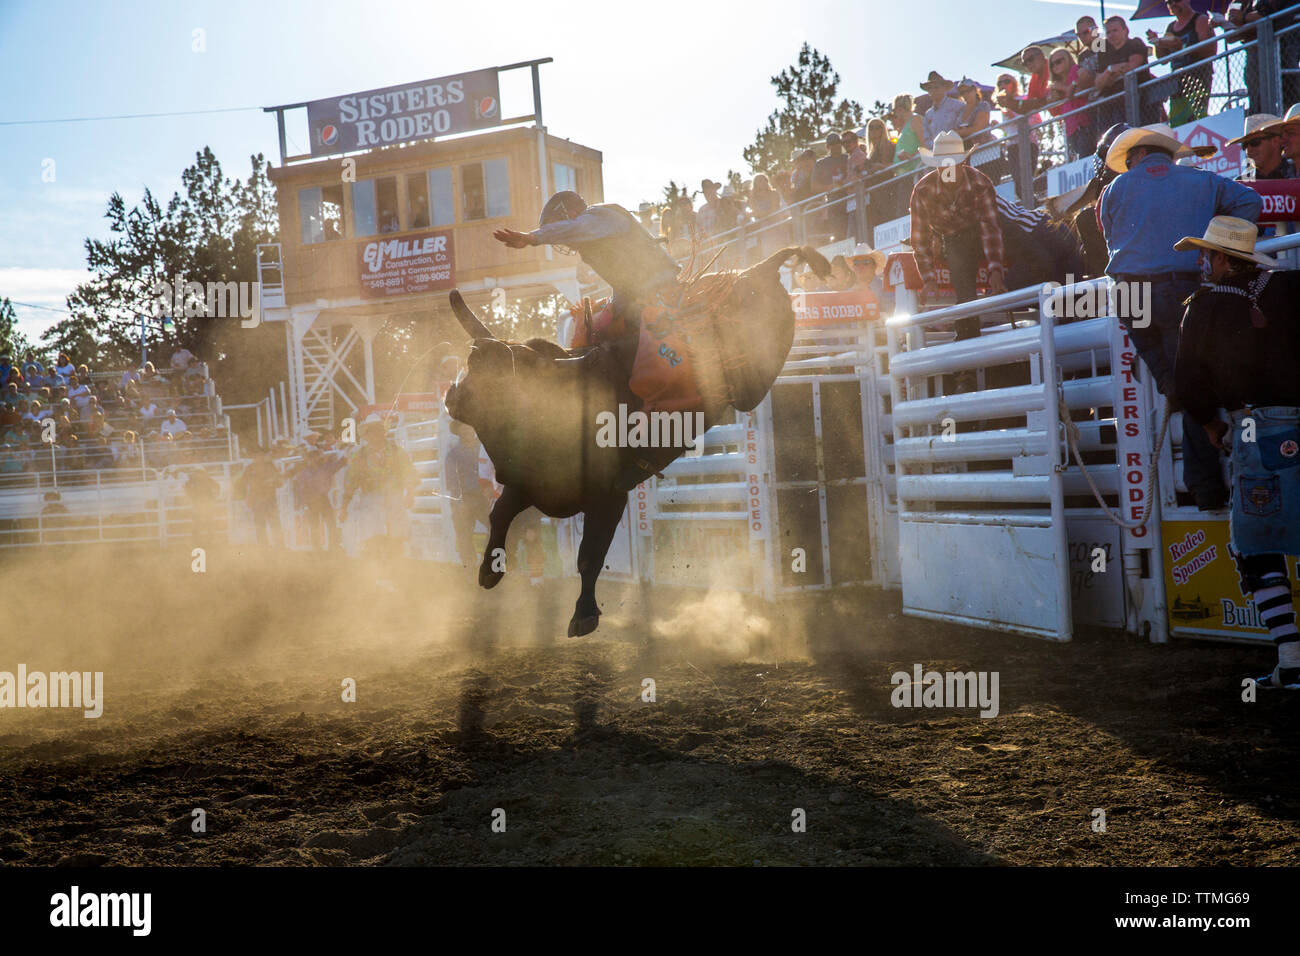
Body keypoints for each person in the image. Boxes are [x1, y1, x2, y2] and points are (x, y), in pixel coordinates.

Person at [1097, 122, 1262, 509]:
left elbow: (1110, 236)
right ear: (1168, 155)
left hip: (1128, 292)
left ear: (1137, 156)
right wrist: (1219, 243)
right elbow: (1250, 203)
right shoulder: (1201, 181)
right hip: (1178, 289)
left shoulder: (1114, 189)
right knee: (1193, 377)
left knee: (1173, 376)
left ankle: (1186, 407)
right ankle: (1205, 485)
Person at [1171, 216, 1300, 688]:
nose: (1204, 263)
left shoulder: (1204, 306)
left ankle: (1291, 660)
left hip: (1256, 428)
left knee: (1257, 546)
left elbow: (1188, 381)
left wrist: (1209, 425)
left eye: (1207, 255)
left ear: (1222, 258)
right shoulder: (1291, 286)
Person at [909, 130, 1008, 339]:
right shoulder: (923, 190)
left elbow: (990, 227)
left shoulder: (980, 183)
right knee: (959, 257)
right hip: (951, 240)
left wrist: (995, 268)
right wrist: (928, 278)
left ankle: (970, 338)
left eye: (951, 164)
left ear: (962, 163)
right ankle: (968, 337)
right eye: (943, 165)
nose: (947, 170)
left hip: (980, 235)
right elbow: (920, 239)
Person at [340, 415, 419, 565]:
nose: (376, 434)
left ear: (383, 431)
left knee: (397, 535)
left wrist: (410, 493)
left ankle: (396, 568)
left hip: (393, 496)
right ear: (367, 435)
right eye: (372, 431)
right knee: (371, 536)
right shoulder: (360, 455)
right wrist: (343, 507)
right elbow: (350, 481)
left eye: (379, 429)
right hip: (371, 498)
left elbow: (408, 471)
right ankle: (376, 571)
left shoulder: (396, 451)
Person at [1149, 0, 1215, 126]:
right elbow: (1163, 59)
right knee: (1177, 123)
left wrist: (1182, 47)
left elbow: (1210, 50)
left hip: (1198, 78)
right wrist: (1157, 42)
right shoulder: (1170, 27)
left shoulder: (1200, 19)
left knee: (1196, 120)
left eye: (1176, 0)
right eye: (1169, 2)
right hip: (1176, 82)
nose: (1173, 4)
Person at [1095, 16, 1155, 129]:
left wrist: (1109, 76)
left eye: (1115, 30)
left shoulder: (1135, 43)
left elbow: (1131, 67)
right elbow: (1098, 84)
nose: (1112, 34)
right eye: (1108, 32)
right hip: (1112, 106)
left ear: (1125, 30)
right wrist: (1110, 70)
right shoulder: (1103, 53)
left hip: (1139, 102)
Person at [445, 421, 489, 569]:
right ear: (459, 431)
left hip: (483, 496)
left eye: (468, 427)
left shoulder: (483, 449)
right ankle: (469, 567)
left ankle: (487, 559)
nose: (466, 431)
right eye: (463, 428)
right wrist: (459, 501)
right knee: (464, 535)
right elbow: (452, 481)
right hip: (464, 498)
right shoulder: (453, 454)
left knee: (496, 527)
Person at [1047, 49, 1097, 160]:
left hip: (1083, 125)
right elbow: (1055, 111)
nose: (1055, 66)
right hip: (1070, 130)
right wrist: (1053, 97)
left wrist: (1063, 88)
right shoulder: (1056, 84)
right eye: (1052, 64)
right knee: (1075, 163)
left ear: (1068, 59)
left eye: (1059, 61)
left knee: (1085, 159)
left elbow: (1082, 92)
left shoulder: (1075, 70)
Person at [294, 446, 346, 551]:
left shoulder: (324, 468)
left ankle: (333, 545)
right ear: (308, 458)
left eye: (316, 456)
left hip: (322, 498)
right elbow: (301, 489)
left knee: (330, 523)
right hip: (311, 500)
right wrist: (302, 502)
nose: (315, 458)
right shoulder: (305, 472)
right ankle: (317, 547)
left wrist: (346, 453)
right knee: (315, 525)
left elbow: (339, 464)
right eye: (312, 456)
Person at [1228, 113, 1297, 180]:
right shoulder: (1241, 183)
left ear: (1275, 141)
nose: (1248, 150)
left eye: (1254, 142)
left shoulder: (1295, 173)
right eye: (1245, 145)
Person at [238, 446, 283, 546]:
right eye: (256, 454)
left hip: (270, 499)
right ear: (253, 456)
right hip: (257, 500)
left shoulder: (270, 466)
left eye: (260, 454)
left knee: (274, 523)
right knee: (260, 525)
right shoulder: (249, 468)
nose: (259, 456)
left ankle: (280, 546)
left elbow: (279, 482)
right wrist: (247, 497)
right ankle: (264, 548)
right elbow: (242, 483)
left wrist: (272, 482)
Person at [919, 72, 964, 149]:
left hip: (958, 148)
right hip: (938, 154)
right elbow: (926, 137)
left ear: (945, 88)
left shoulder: (957, 105)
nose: (932, 91)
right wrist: (936, 147)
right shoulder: (928, 114)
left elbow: (963, 127)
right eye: (929, 88)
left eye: (936, 87)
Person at [890, 93, 925, 172]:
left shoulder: (915, 120)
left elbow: (925, 144)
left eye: (895, 111)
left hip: (914, 171)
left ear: (900, 109)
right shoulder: (904, 125)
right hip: (903, 172)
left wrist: (910, 156)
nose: (895, 114)